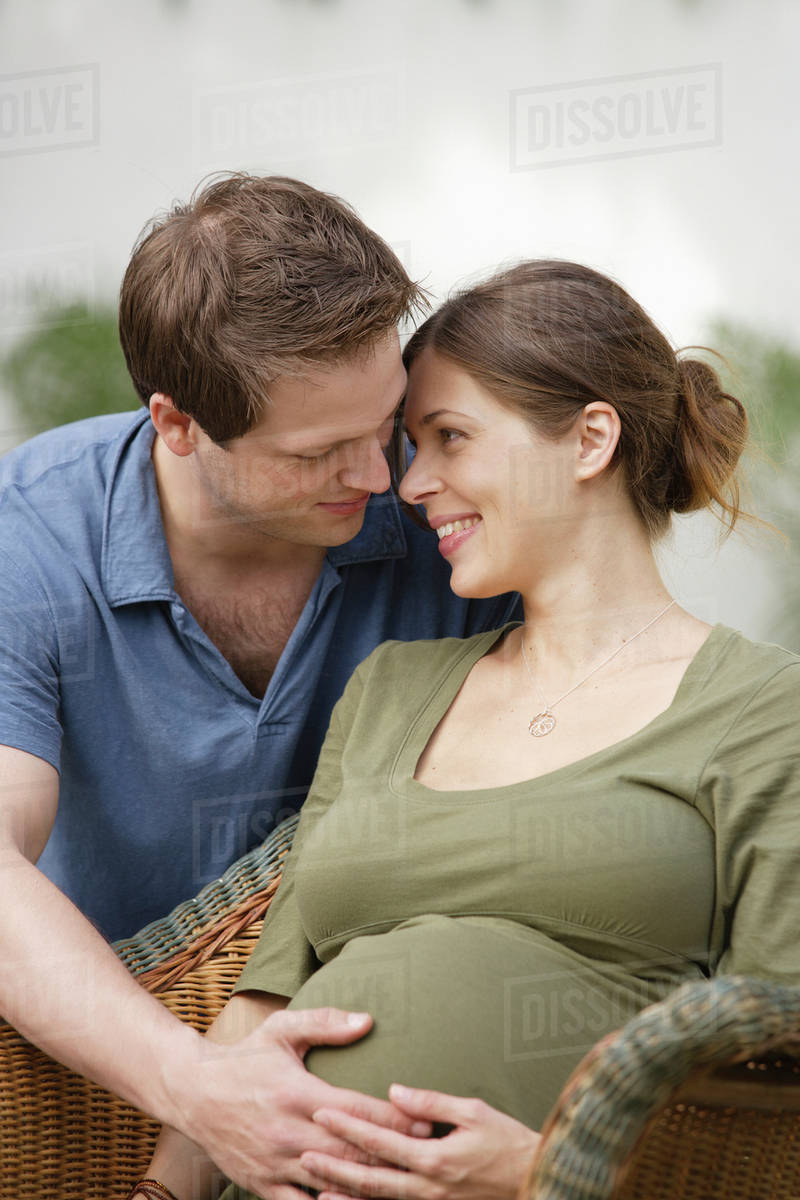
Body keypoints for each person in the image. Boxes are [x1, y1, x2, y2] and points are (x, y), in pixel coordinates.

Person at [141, 259, 800, 1200]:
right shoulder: (390, 689)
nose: (411, 487)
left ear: (589, 440)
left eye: (449, 438)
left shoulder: (765, 707)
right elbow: (260, 1001)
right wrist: (162, 1193)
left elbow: (781, 1075)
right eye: (412, 446)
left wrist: (548, 1173)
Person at [0, 176, 519, 1186]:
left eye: (385, 425)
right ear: (177, 423)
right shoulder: (28, 537)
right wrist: (200, 1089)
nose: (381, 480)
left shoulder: (442, 507)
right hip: (84, 1084)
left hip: (397, 1069)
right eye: (317, 453)